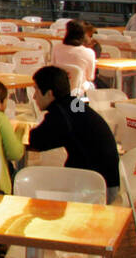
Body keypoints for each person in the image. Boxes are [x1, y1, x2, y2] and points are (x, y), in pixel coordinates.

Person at [27, 65, 121, 200]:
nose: (34, 97)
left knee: (37, 187)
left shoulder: (61, 114)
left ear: (49, 93)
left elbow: (37, 141)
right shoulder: (74, 105)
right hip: (109, 180)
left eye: (36, 90)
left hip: (97, 189)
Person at [52, 20, 98, 92]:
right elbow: (90, 77)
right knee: (92, 85)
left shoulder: (56, 47)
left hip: (59, 88)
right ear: (84, 35)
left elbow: (53, 67)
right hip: (80, 90)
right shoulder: (89, 53)